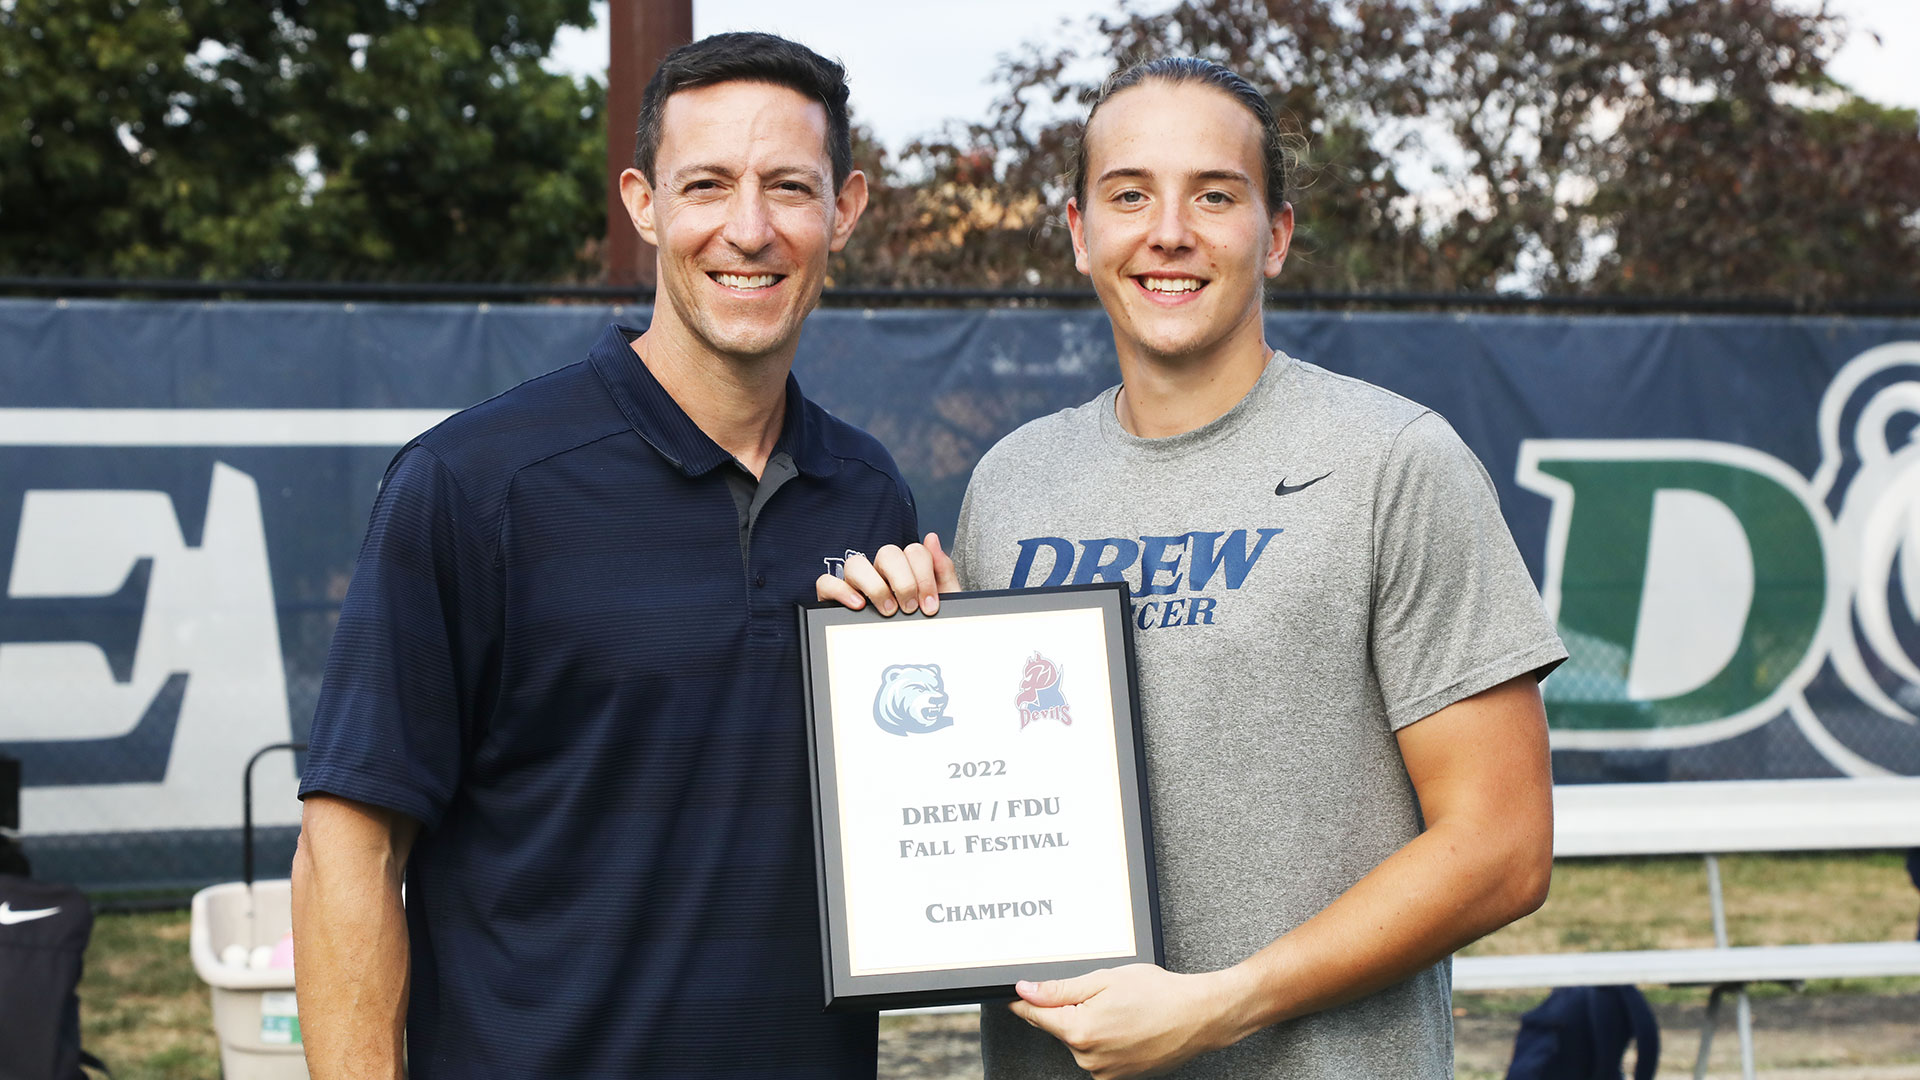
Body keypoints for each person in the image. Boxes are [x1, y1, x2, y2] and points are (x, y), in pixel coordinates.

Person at [819, 57, 1566, 1079]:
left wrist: (1219, 1006)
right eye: (1130, 195)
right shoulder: (1015, 481)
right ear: (1080, 232)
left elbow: (1502, 848)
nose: (1169, 232)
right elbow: (986, 787)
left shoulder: (1394, 461)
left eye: (1214, 195)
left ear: (1277, 234)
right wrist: (901, 649)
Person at [292, 32, 931, 1079]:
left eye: (788, 187)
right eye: (707, 184)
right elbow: (347, 849)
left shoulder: (867, 493)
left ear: (844, 210)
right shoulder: (473, 483)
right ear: (643, 203)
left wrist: (937, 674)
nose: (749, 228)